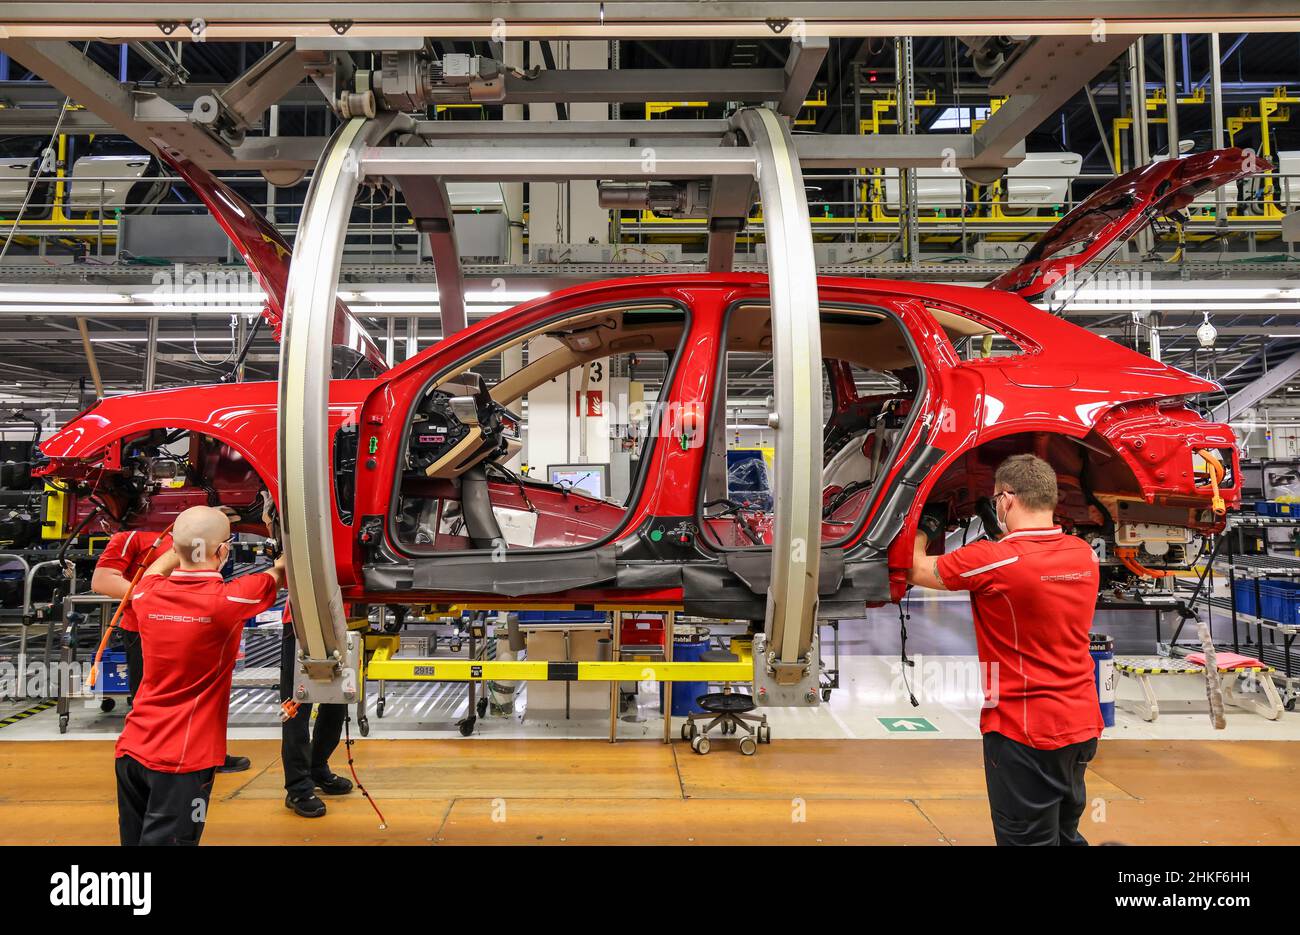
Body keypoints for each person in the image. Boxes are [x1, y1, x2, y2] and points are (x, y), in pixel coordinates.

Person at [907, 453, 1104, 846]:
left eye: (998, 500)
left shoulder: (991, 559)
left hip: (1023, 731)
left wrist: (927, 525)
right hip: (1081, 724)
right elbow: (1030, 562)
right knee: (1065, 834)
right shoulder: (1084, 555)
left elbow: (915, 568)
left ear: (1007, 499)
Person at [114, 505, 285, 845]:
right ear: (224, 551)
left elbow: (156, 569)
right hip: (184, 762)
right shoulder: (230, 599)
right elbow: (281, 571)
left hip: (131, 751)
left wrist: (186, 537)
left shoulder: (146, 594)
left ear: (174, 548)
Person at [93, 524, 252, 774]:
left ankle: (208, 755)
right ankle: (150, 760)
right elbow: (102, 581)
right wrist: (158, 600)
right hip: (145, 629)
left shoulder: (201, 534)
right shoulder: (132, 536)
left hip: (196, 628)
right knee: (151, 701)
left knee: (203, 697)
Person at [280, 604, 353, 818]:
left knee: (337, 703)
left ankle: (317, 767)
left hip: (339, 624)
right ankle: (298, 789)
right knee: (295, 708)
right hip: (300, 626)